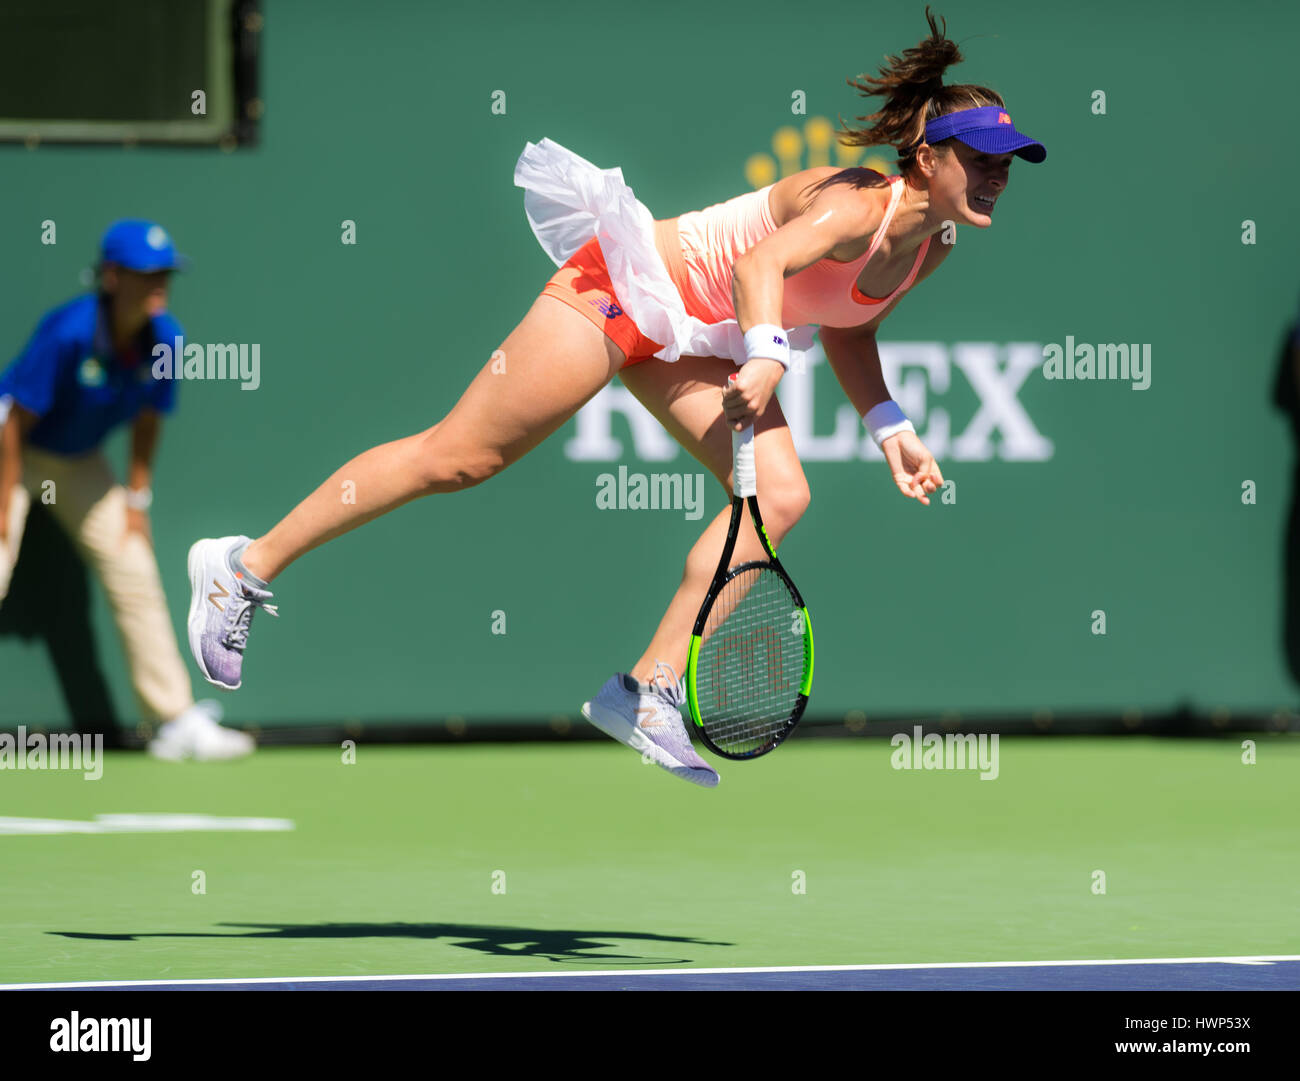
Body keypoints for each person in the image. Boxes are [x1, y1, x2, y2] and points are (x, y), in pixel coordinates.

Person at [186, 8, 1044, 786]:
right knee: (459, 458)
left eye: (1007, 163)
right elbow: (760, 268)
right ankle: (241, 565)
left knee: (780, 494)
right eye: (981, 158)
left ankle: (649, 687)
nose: (997, 175)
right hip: (626, 289)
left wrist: (889, 424)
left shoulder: (931, 249)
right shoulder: (857, 202)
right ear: (929, 157)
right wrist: (767, 353)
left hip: (696, 340)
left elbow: (852, 326)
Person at [0, 220, 254, 761]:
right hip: (12, 450)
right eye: (145, 274)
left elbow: (148, 420)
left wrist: (137, 500)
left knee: (133, 564)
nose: (158, 284)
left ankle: (176, 721)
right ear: (112, 277)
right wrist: (3, 506)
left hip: (79, 463)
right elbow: (13, 422)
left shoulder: (167, 339)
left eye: (164, 273)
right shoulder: (69, 332)